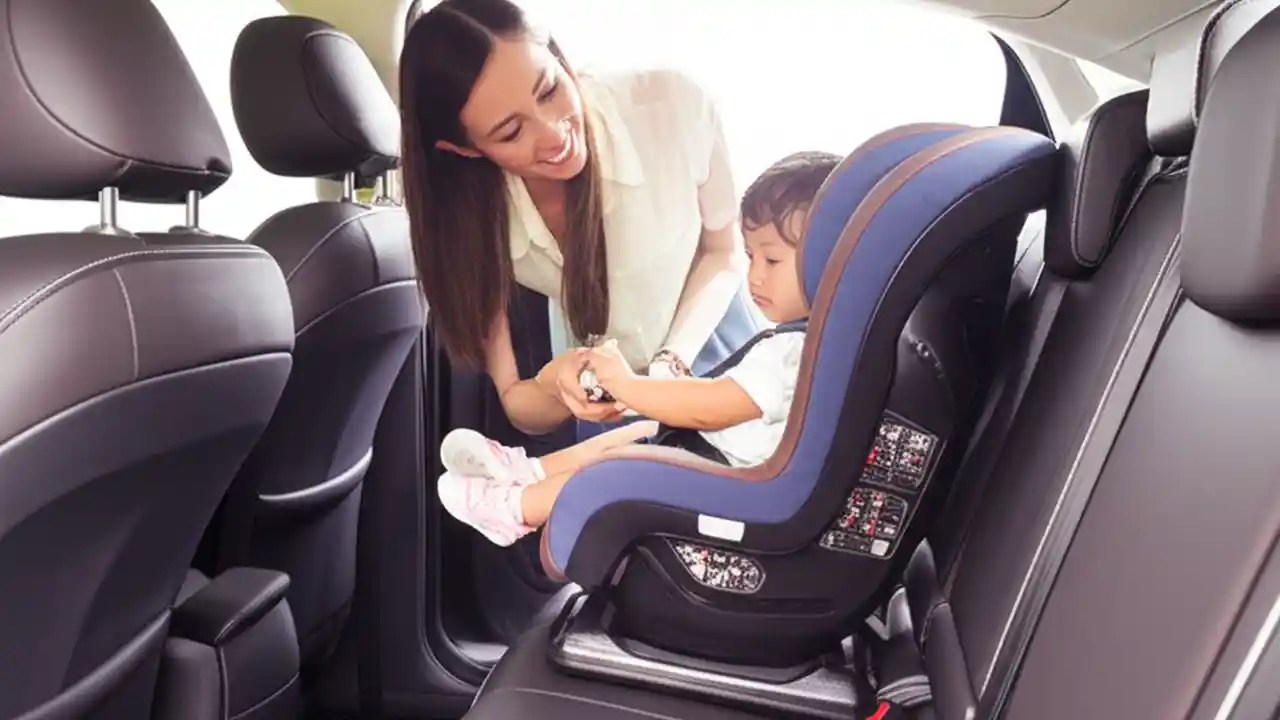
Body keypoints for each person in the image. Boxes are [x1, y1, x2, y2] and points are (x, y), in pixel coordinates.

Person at [435, 151, 841, 546]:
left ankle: (514, 508)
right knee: (641, 432)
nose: (753, 276)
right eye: (751, 257)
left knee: (625, 464)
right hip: (731, 466)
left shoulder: (796, 351)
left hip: (736, 484)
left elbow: (713, 405)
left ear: (831, 261)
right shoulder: (815, 343)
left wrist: (627, 384)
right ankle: (527, 471)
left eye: (771, 261)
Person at [399, 0, 756, 438]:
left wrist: (669, 367)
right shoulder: (467, 218)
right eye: (511, 132)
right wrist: (555, 386)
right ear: (465, 149)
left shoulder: (674, 104)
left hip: (713, 337)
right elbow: (516, 401)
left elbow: (724, 251)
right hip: (612, 393)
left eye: (549, 89)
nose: (554, 134)